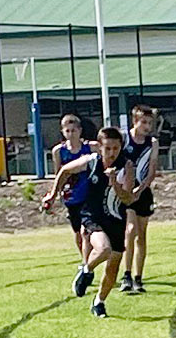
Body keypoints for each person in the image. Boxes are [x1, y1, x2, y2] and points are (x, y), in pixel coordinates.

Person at [41, 126, 137, 318]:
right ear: (99, 147)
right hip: (93, 216)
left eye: (115, 149)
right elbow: (65, 171)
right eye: (107, 148)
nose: (111, 153)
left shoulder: (126, 167)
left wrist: (115, 184)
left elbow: (128, 199)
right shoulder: (91, 162)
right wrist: (53, 194)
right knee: (103, 249)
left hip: (116, 219)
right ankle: (86, 271)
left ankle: (99, 302)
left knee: (112, 269)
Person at [120, 104, 159, 294]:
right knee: (130, 230)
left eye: (150, 123)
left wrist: (140, 188)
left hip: (143, 193)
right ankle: (126, 274)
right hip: (125, 194)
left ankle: (138, 278)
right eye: (143, 122)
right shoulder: (124, 138)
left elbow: (152, 171)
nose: (147, 126)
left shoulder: (152, 143)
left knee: (141, 235)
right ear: (135, 121)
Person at [49, 114, 95, 272]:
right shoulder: (59, 151)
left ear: (80, 131)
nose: (71, 134)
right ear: (63, 132)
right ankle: (84, 258)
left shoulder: (90, 147)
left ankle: (86, 261)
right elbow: (59, 174)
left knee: (87, 230)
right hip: (71, 195)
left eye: (74, 130)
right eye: (67, 131)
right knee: (78, 231)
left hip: (88, 193)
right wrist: (57, 193)